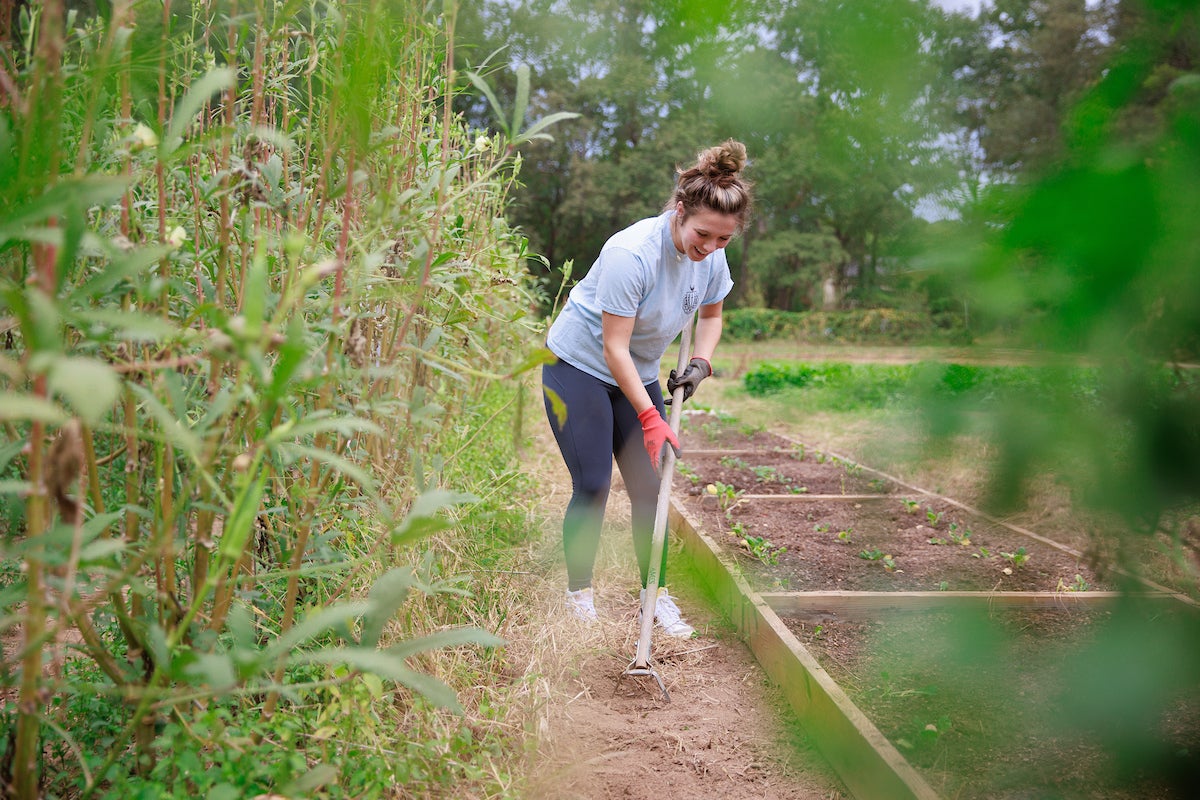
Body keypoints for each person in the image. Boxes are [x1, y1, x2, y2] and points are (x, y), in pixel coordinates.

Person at [541, 139, 753, 636]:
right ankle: (579, 597)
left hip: (640, 369)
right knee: (593, 485)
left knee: (649, 490)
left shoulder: (712, 256)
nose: (710, 248)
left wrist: (701, 361)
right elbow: (614, 348)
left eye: (724, 240)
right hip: (581, 366)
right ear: (680, 212)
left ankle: (653, 596)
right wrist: (651, 415)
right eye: (703, 235)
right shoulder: (630, 253)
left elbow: (713, 314)